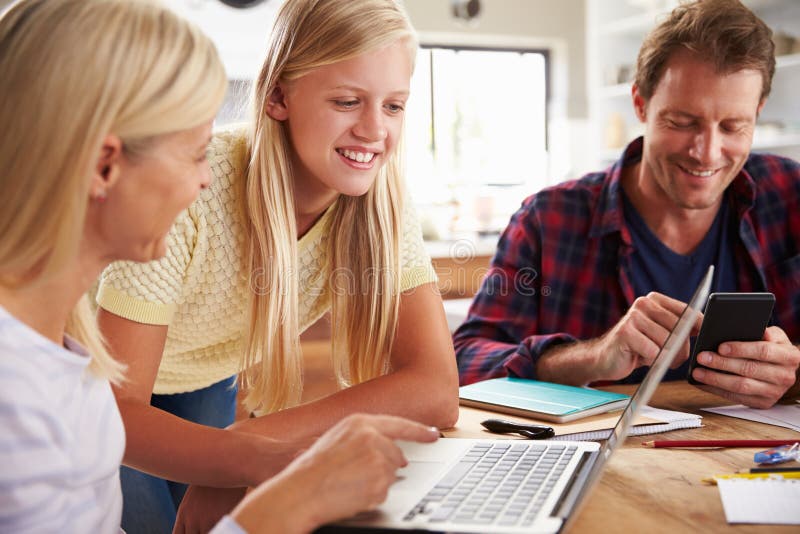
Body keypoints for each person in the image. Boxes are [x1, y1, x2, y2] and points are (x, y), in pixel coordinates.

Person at [0, 0, 439, 532]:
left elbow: (432, 385)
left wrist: (247, 454)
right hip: (119, 378)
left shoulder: (382, 200)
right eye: (348, 101)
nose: (375, 129)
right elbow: (112, 408)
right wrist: (262, 473)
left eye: (395, 106)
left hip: (200, 375)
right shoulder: (29, 400)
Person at [454, 0, 800, 409]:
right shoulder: (547, 220)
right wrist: (591, 358)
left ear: (757, 113)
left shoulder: (790, 195)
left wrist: (791, 374)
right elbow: (464, 363)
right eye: (682, 122)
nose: (707, 153)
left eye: (733, 126)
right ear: (640, 104)